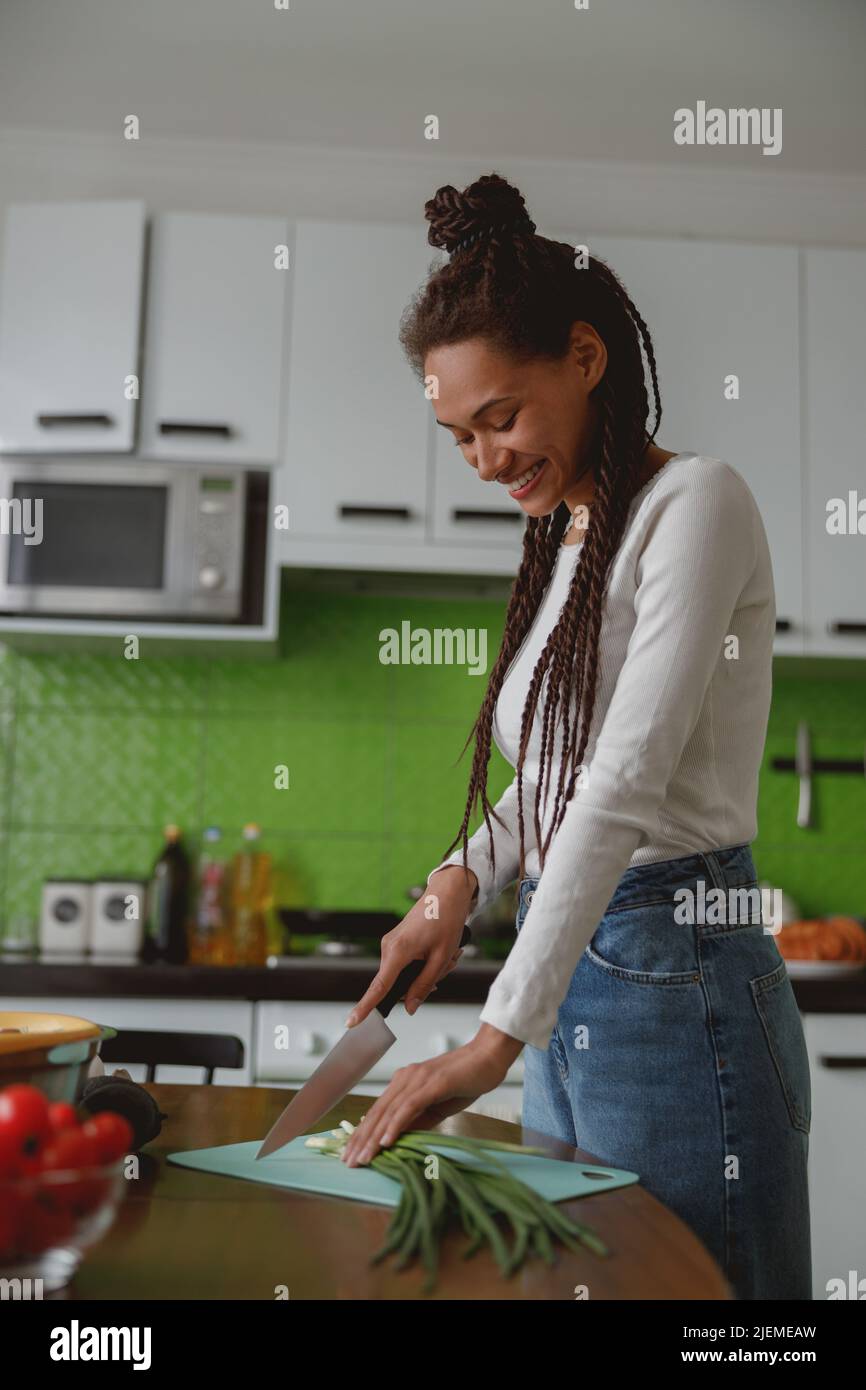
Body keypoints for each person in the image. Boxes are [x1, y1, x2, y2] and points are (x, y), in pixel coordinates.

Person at [340, 173, 812, 1302]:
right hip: (579, 976)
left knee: (714, 1314)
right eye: (459, 435)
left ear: (586, 359)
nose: (486, 459)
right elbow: (550, 775)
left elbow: (622, 778)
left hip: (673, 969)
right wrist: (456, 878)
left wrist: (493, 1039)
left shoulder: (697, 502)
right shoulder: (571, 537)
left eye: (500, 417)